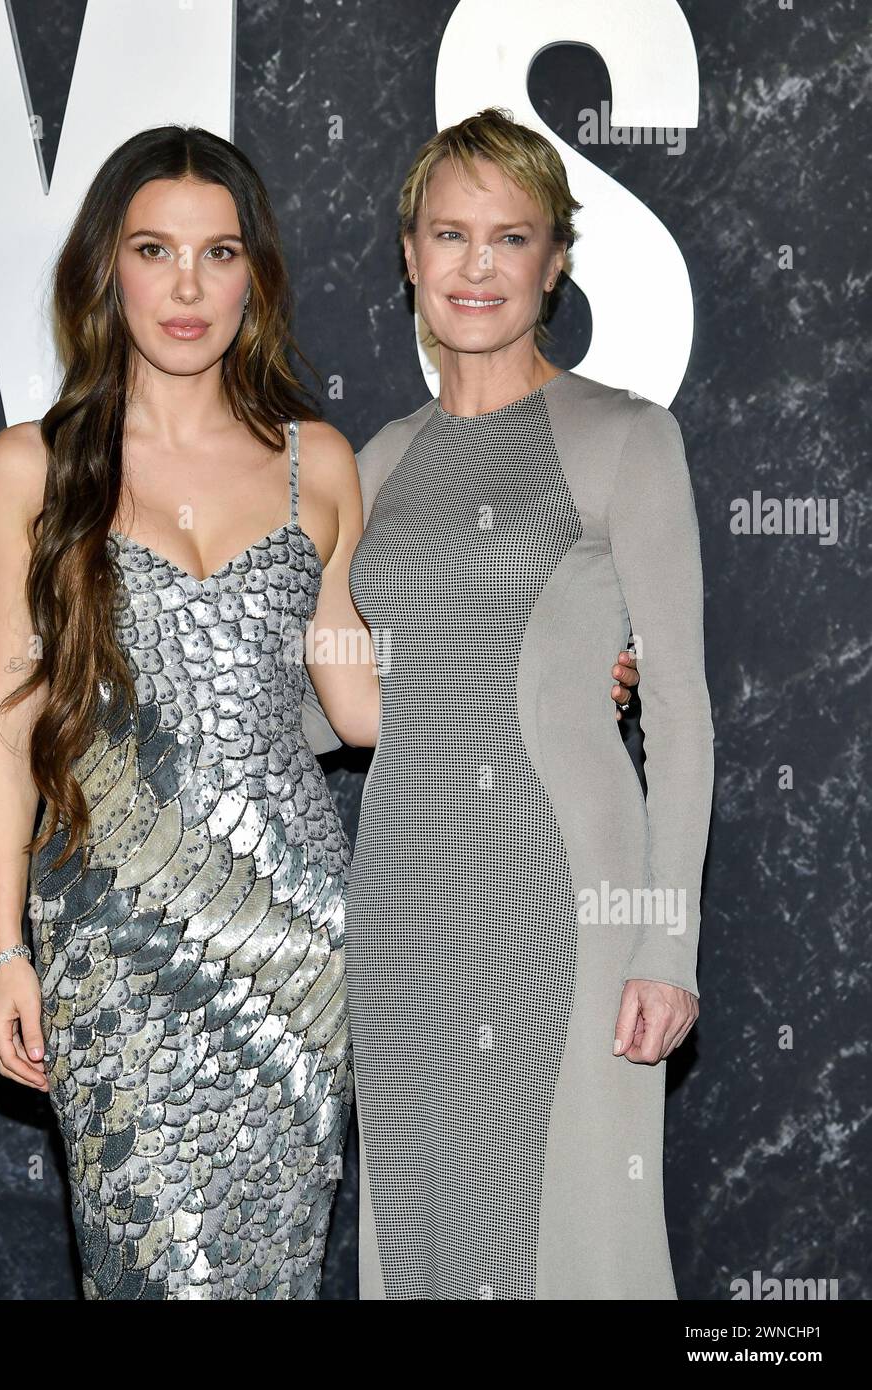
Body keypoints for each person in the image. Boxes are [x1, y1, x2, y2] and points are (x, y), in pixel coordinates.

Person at [0, 121, 640, 1301]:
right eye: (154, 250)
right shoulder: (31, 467)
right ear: (105, 268)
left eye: (219, 254)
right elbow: (6, 714)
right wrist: (7, 948)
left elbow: (364, 702)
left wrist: (562, 664)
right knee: (149, 1270)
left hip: (298, 945)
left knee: (273, 1273)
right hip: (115, 949)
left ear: (254, 278)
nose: (187, 287)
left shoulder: (314, 461)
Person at [320, 107, 714, 1300]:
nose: (476, 267)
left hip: (564, 896)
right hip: (400, 908)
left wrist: (668, 943)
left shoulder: (625, 440)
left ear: (555, 262)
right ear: (409, 255)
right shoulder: (375, 460)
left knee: (570, 1236)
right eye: (449, 234)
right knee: (423, 1235)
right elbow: (336, 706)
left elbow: (682, 713)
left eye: (510, 237)